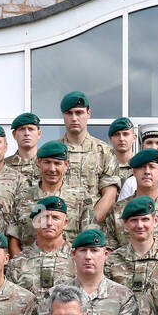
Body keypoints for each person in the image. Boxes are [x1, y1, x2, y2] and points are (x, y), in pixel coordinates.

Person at [32, 229, 138, 315]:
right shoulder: (55, 294)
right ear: (73, 254)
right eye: (83, 250)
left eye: (94, 250)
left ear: (105, 255)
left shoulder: (123, 295)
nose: (88, 256)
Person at [7, 140, 92, 253]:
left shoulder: (81, 197)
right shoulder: (22, 197)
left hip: (69, 265)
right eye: (47, 162)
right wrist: (22, 267)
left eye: (57, 163)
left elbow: (89, 237)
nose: (52, 169)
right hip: (29, 265)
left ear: (66, 164)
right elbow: (14, 238)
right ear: (39, 162)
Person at [58, 91, 121, 225]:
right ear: (63, 116)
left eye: (79, 112)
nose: (74, 118)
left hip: (93, 233)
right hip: (57, 230)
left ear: (88, 114)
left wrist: (88, 225)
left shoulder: (104, 151)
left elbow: (110, 195)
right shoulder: (52, 151)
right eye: (69, 113)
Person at [106, 149, 158, 247]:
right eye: (141, 167)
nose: (147, 172)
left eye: (152, 167)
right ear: (134, 172)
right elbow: (109, 250)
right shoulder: (117, 210)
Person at [6, 194, 77, 294]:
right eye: (44, 217)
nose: (49, 223)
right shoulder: (18, 262)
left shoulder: (78, 258)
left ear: (65, 223)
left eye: (55, 218)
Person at [104, 196, 158, 293]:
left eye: (145, 219)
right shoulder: (112, 261)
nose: (140, 225)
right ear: (125, 223)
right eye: (134, 220)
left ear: (155, 221)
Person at [117, 123, 158, 201]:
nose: (153, 147)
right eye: (149, 143)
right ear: (143, 146)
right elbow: (122, 210)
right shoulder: (131, 181)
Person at [6, 112, 42, 186]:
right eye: (22, 129)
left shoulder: (49, 163)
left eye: (31, 129)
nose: (26, 133)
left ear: (39, 134)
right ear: (14, 134)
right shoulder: (3, 166)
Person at [108, 116, 137, 189]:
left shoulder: (141, 166)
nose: (121, 139)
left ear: (134, 138)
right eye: (117, 134)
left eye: (125, 134)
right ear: (110, 139)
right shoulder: (104, 166)